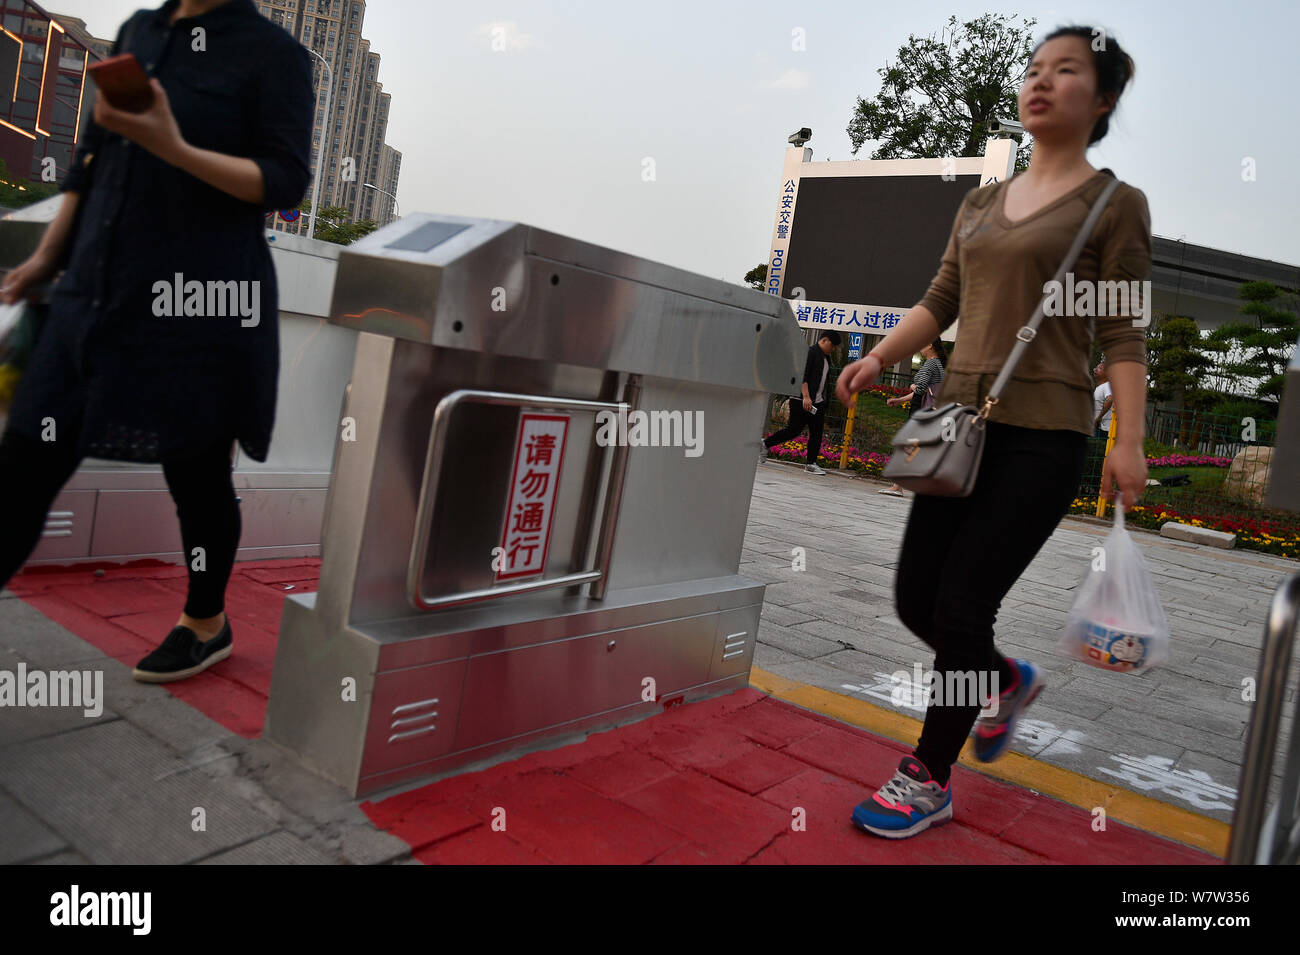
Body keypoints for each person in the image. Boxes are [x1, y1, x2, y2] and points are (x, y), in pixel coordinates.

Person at [834, 25, 1149, 838]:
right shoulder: (978, 202)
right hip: (957, 424)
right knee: (916, 598)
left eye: (1067, 71)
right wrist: (880, 358)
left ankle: (927, 777)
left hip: (1043, 434)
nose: (1042, 82)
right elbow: (942, 298)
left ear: (1104, 98)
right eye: (1035, 69)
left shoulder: (1113, 205)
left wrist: (1130, 440)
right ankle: (1004, 680)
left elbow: (1121, 334)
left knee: (965, 603)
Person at [0, 0, 313, 682]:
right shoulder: (140, 30)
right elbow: (90, 157)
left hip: (199, 306)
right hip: (93, 292)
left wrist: (174, 148)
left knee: (197, 474)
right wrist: (48, 257)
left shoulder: (273, 55)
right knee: (22, 463)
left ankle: (206, 621)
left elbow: (285, 181)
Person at [763, 330, 842, 475]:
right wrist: (806, 396)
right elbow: (802, 376)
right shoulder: (810, 353)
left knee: (817, 433)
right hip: (801, 400)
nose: (833, 349)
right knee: (793, 430)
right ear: (824, 340)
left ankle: (811, 463)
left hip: (817, 403)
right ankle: (765, 444)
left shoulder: (825, 358)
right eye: (833, 345)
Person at [879, 338, 947, 496]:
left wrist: (912, 385)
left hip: (920, 412)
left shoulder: (931, 364)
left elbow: (920, 388)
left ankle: (899, 486)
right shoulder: (939, 365)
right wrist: (900, 400)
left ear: (930, 345)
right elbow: (926, 391)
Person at [1093, 360, 1115, 438]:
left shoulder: (1107, 385)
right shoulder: (1099, 387)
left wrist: (1098, 418)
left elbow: (1110, 399)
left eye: (1100, 368)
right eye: (1096, 368)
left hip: (1106, 430)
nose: (1095, 369)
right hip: (1100, 428)